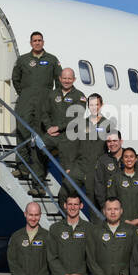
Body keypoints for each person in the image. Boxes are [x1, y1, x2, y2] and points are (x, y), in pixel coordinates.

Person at [10, 31, 61, 181]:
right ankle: (22, 167)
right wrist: (24, 93)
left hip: (44, 102)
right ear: (31, 43)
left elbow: (58, 81)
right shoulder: (23, 59)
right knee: (22, 132)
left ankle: (39, 173)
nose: (37, 43)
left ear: (43, 42)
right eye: (34, 41)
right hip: (26, 100)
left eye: (39, 40)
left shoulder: (52, 60)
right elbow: (15, 78)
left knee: (40, 136)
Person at [43, 69, 88, 199]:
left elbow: (76, 117)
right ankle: (39, 180)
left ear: (74, 79)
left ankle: (68, 201)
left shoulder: (79, 96)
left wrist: (58, 127)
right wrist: (48, 127)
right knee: (37, 146)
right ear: (60, 79)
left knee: (68, 174)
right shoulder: (52, 94)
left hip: (70, 139)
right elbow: (44, 113)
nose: (67, 81)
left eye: (69, 78)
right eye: (64, 78)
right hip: (53, 135)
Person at [73, 94, 114, 210]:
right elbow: (73, 146)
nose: (94, 107)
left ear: (101, 105)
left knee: (93, 200)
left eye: (97, 104)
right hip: (81, 166)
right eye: (91, 105)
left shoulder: (108, 124)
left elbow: (113, 146)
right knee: (66, 192)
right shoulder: (81, 124)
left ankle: (95, 227)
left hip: (97, 169)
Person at [108, 147, 138, 229]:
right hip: (120, 223)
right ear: (122, 160)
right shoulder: (115, 178)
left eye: (131, 156)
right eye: (126, 157)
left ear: (135, 159)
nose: (129, 159)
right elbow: (110, 201)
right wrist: (122, 219)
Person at [89, 130, 124, 213]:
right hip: (110, 208)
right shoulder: (102, 160)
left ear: (121, 141)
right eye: (109, 141)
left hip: (128, 205)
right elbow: (99, 185)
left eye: (115, 141)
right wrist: (104, 206)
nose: (112, 144)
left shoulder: (130, 156)